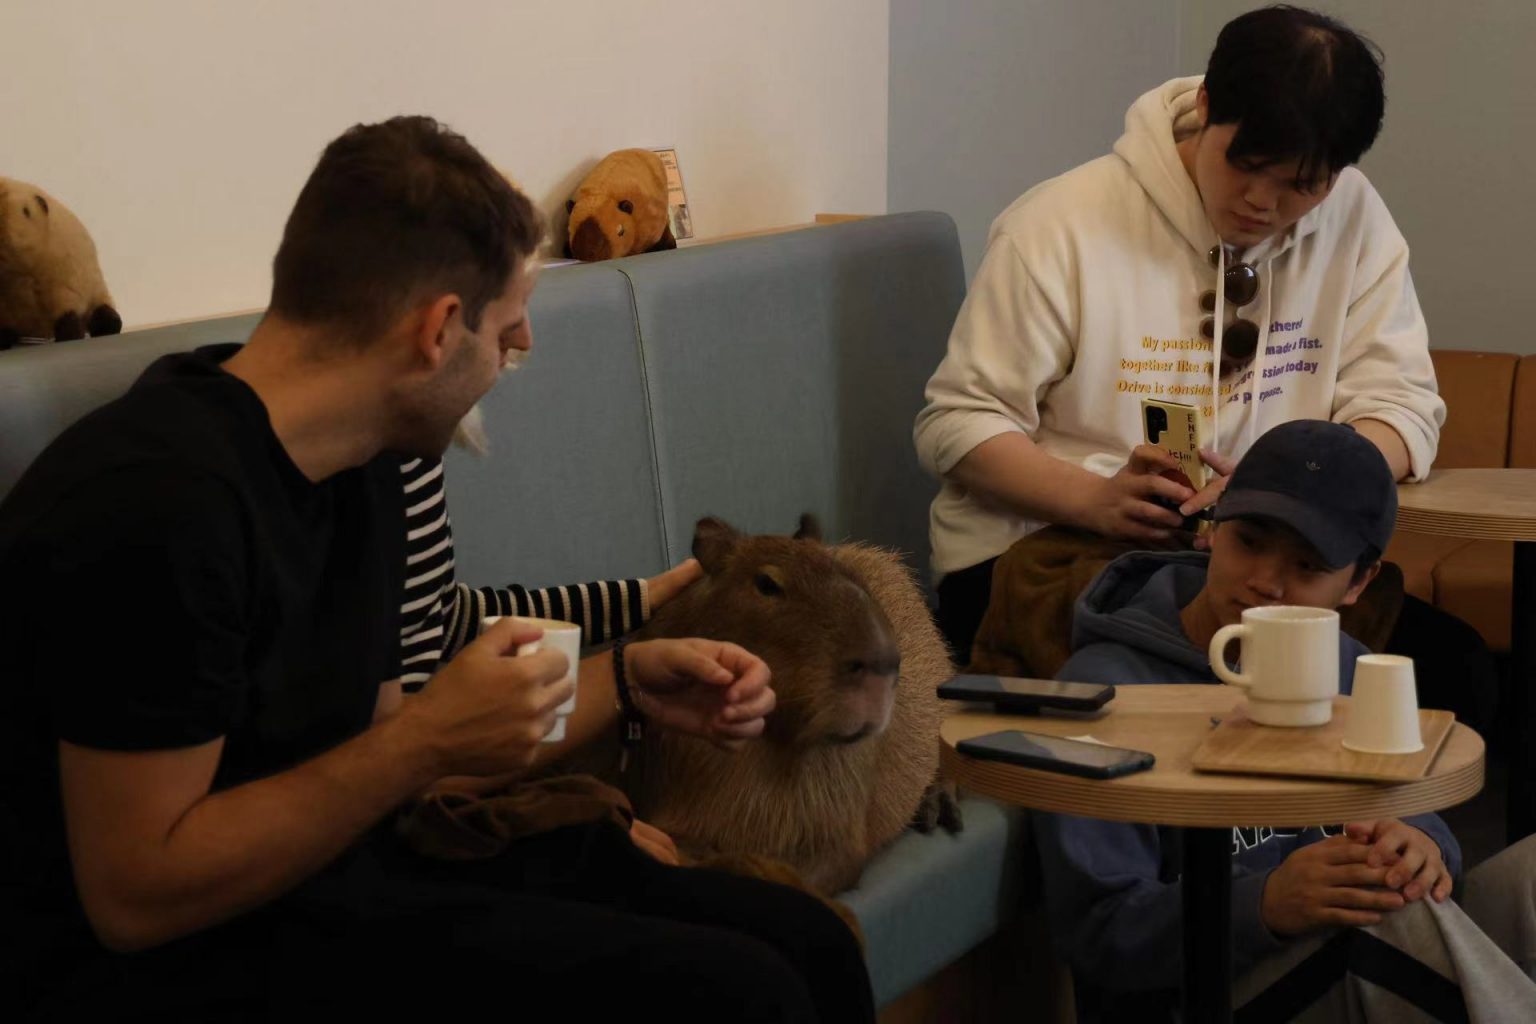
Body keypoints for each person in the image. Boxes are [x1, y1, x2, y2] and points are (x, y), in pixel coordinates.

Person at [0, 115, 873, 1022]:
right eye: (509, 322)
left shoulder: (366, 460)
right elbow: (136, 897)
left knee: (805, 941)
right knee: (744, 994)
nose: (522, 344)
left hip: (330, 878)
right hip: (163, 960)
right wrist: (421, 740)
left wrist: (624, 682)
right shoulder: (157, 506)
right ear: (439, 328)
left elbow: (387, 761)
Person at [910, 6, 1495, 736]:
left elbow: (1402, 408)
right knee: (1200, 675)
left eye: (1302, 186)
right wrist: (1094, 499)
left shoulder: (1354, 219)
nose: (1263, 203)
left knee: (1454, 671)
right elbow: (957, 424)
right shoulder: (1057, 224)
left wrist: (1292, 484)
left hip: (1252, 558)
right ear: (1206, 108)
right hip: (1049, 551)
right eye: (1247, 166)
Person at [1034, 420, 1536, 1021]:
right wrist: (1266, 904)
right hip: (1202, 991)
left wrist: (1425, 844)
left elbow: (1412, 811)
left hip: (1348, 956)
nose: (1266, 583)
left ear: (1359, 582)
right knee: (1392, 918)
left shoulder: (1354, 668)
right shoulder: (1101, 691)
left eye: (1307, 565)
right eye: (1248, 541)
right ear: (1213, 531)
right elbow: (1097, 933)